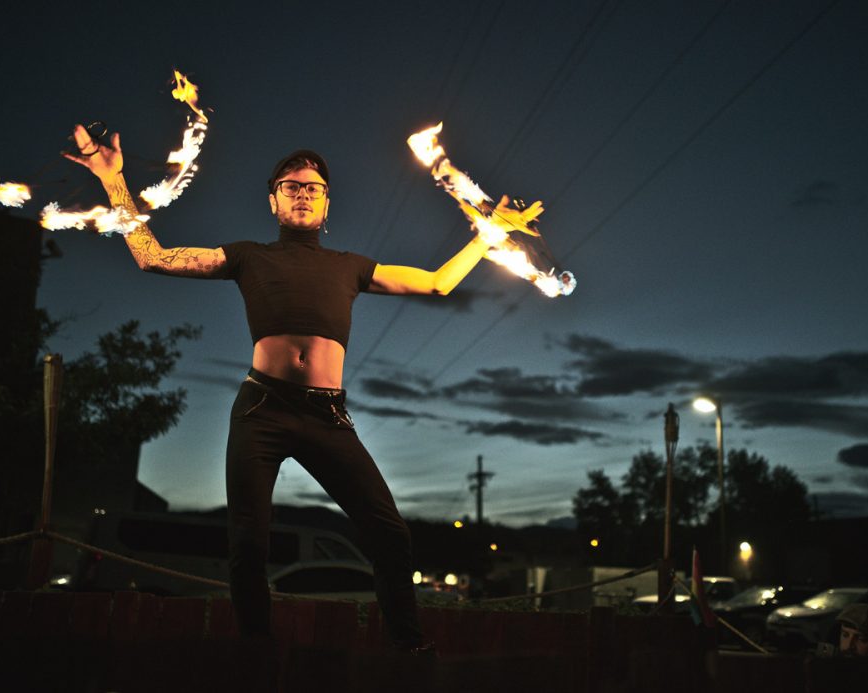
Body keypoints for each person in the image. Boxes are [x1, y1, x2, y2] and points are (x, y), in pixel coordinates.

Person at [63, 124, 541, 684]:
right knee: (248, 542)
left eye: (313, 187)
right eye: (290, 186)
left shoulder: (350, 265)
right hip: (261, 410)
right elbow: (152, 257)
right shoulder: (247, 256)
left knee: (390, 533)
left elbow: (436, 284)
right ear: (273, 200)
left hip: (327, 416)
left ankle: (407, 648)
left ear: (327, 201)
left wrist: (487, 238)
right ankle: (256, 654)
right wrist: (114, 180)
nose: (302, 192)